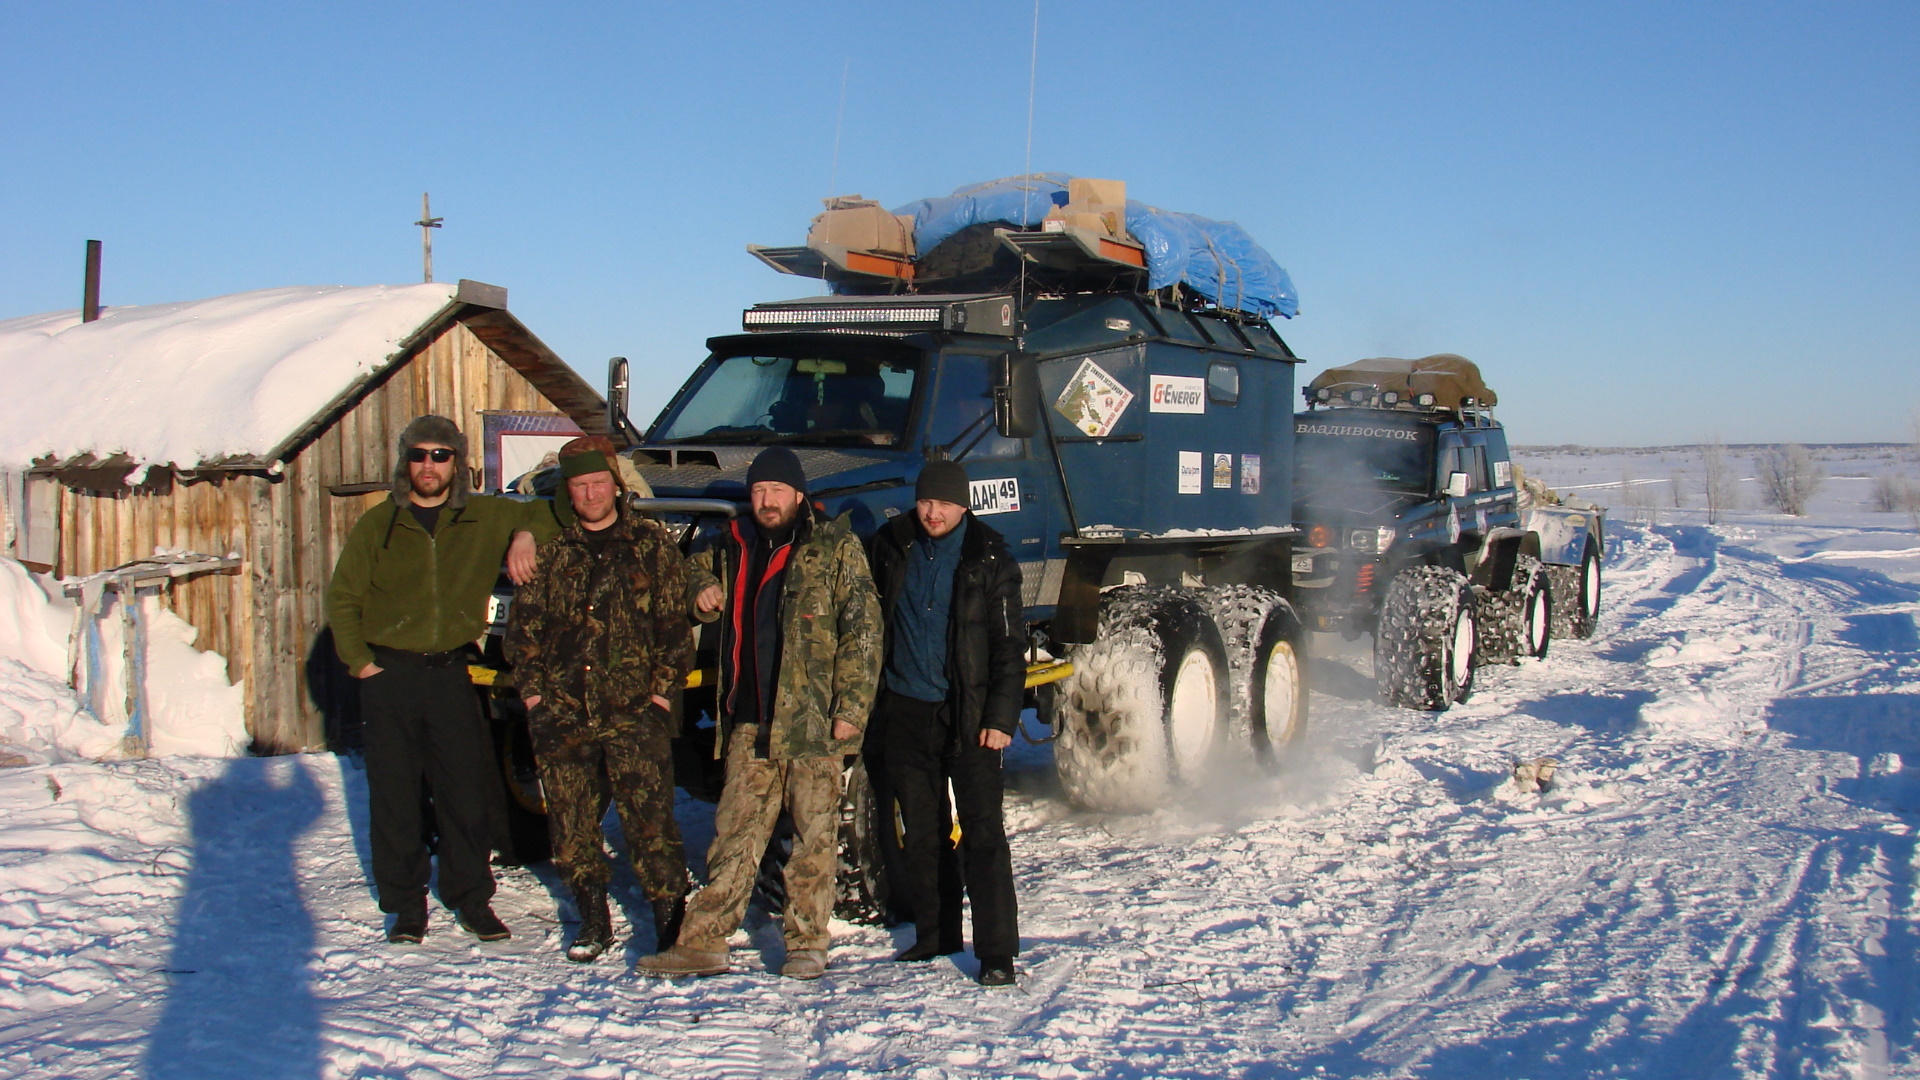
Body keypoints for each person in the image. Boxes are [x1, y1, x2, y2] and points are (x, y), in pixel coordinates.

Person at [636, 447, 882, 980]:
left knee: (812, 841)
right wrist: (696, 588)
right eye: (758, 492)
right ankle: (703, 942)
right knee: (734, 836)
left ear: (798, 495)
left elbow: (863, 633)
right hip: (749, 718)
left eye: (776, 491)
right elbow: (684, 571)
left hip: (813, 722)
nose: (767, 501)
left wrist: (851, 712)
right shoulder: (732, 545)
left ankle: (807, 943)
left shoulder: (834, 547)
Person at [326, 414, 558, 945]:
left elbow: (552, 512)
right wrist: (360, 661)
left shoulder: (482, 516)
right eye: (418, 454)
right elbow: (343, 597)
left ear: (457, 463)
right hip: (390, 676)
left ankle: (471, 898)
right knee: (395, 798)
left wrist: (524, 533)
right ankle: (406, 906)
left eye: (440, 455)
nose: (428, 465)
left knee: (464, 793)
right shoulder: (379, 524)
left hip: (453, 671)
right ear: (405, 462)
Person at [503, 436, 695, 963]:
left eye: (597, 483)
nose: (590, 494)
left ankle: (668, 922)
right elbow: (524, 634)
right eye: (580, 486)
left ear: (615, 485)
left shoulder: (652, 546)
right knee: (572, 825)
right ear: (569, 493)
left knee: (651, 824)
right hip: (564, 714)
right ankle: (592, 920)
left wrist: (659, 697)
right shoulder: (554, 554)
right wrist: (538, 697)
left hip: (634, 712)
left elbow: (674, 632)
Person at [866, 459, 1024, 987]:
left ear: (964, 506)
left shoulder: (990, 557)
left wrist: (1001, 717)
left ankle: (996, 952)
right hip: (907, 708)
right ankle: (936, 935)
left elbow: (1009, 648)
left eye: (945, 504)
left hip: (971, 716)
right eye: (926, 501)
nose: (933, 513)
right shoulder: (892, 544)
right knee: (925, 831)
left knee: (983, 834)